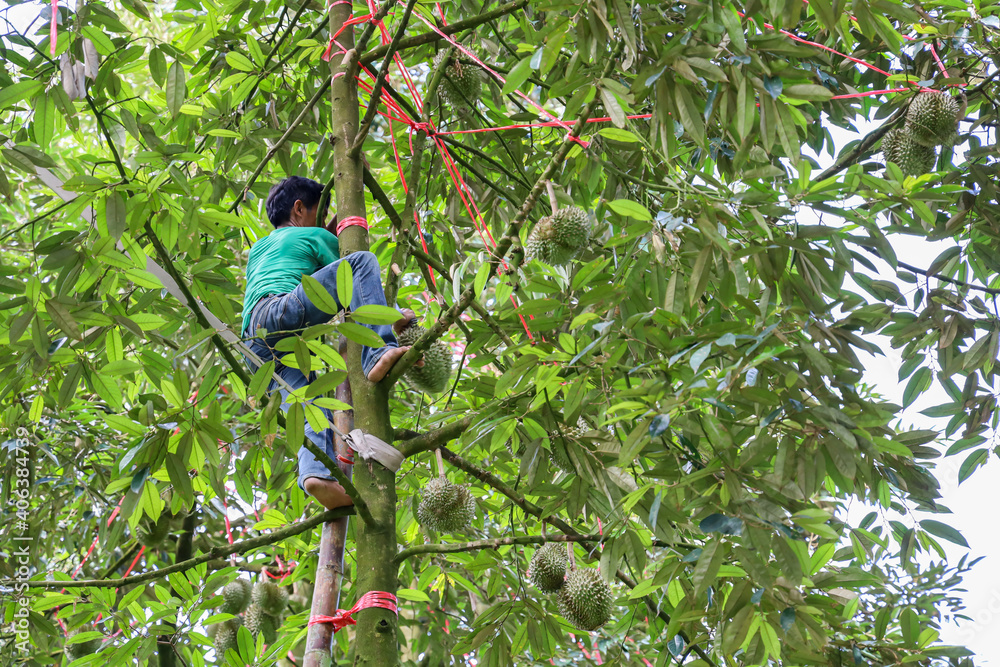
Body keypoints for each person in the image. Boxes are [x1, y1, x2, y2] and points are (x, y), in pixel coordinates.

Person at [241, 176, 421, 510]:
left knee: (309, 406)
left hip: (255, 345)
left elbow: (326, 277)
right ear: (298, 208)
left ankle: (316, 476)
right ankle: (377, 354)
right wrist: (393, 314)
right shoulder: (311, 235)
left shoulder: (260, 249)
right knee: (362, 262)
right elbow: (346, 276)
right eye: (316, 215)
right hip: (281, 311)